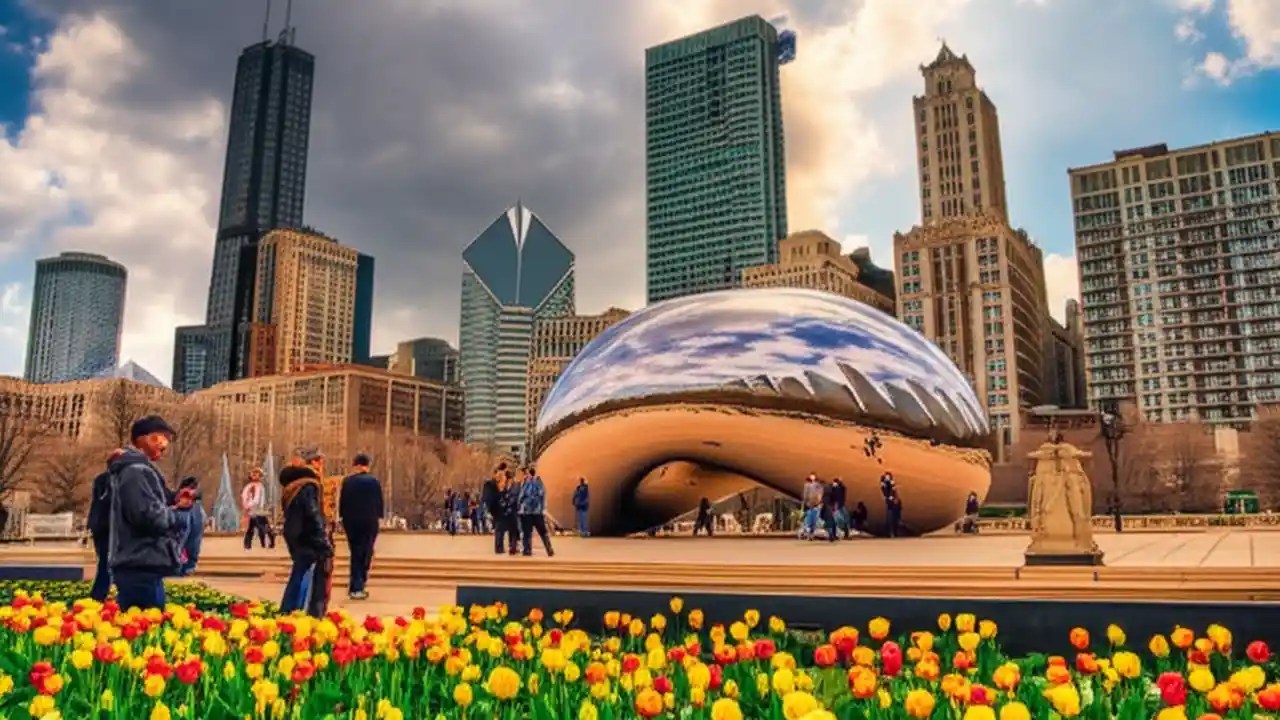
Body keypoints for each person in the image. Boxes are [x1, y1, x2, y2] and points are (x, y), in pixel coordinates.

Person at [109, 415, 192, 610]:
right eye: (159, 438)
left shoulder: (138, 470)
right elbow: (147, 516)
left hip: (142, 563)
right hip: (139, 564)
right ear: (142, 439)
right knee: (146, 627)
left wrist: (175, 501)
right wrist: (177, 515)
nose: (164, 444)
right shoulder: (136, 472)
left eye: (166, 440)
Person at [279, 457, 333, 616]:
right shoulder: (309, 486)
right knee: (306, 579)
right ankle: (297, 612)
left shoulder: (292, 487)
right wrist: (323, 541)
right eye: (318, 462)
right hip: (309, 537)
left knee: (299, 574)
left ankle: (288, 611)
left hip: (296, 536)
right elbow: (313, 513)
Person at [339, 453, 384, 601]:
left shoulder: (347, 482)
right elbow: (379, 503)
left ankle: (356, 585)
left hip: (351, 522)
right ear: (367, 465)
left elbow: (343, 504)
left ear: (355, 465)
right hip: (369, 522)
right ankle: (359, 585)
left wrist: (342, 520)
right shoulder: (374, 482)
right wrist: (379, 519)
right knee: (366, 552)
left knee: (355, 552)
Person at [86, 449, 126, 601]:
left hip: (102, 526)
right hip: (108, 527)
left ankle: (100, 594)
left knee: (106, 563)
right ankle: (99, 596)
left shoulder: (103, 479)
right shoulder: (112, 480)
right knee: (108, 563)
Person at [517, 466, 554, 557]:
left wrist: (520, 505)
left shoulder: (527, 483)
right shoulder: (539, 483)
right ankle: (549, 549)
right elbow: (542, 495)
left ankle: (527, 550)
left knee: (527, 532)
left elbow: (522, 496)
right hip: (537, 511)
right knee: (542, 532)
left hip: (528, 512)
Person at [177, 476, 205, 576]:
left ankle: (186, 565)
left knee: (191, 541)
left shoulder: (196, 509)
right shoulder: (195, 509)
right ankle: (186, 565)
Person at [241, 468, 275, 550]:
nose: (255, 476)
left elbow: (258, 499)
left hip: (258, 510)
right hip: (253, 510)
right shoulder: (250, 486)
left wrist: (249, 506)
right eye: (254, 474)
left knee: (260, 527)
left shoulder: (259, 486)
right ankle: (248, 544)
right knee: (254, 527)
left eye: (257, 474)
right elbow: (245, 497)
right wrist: (247, 506)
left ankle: (269, 540)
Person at [800, 474, 822, 540]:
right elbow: (806, 494)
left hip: (812, 504)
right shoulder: (812, 485)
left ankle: (810, 533)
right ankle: (810, 534)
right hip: (812, 505)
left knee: (810, 519)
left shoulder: (813, 485)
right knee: (812, 519)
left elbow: (805, 495)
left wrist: (805, 500)